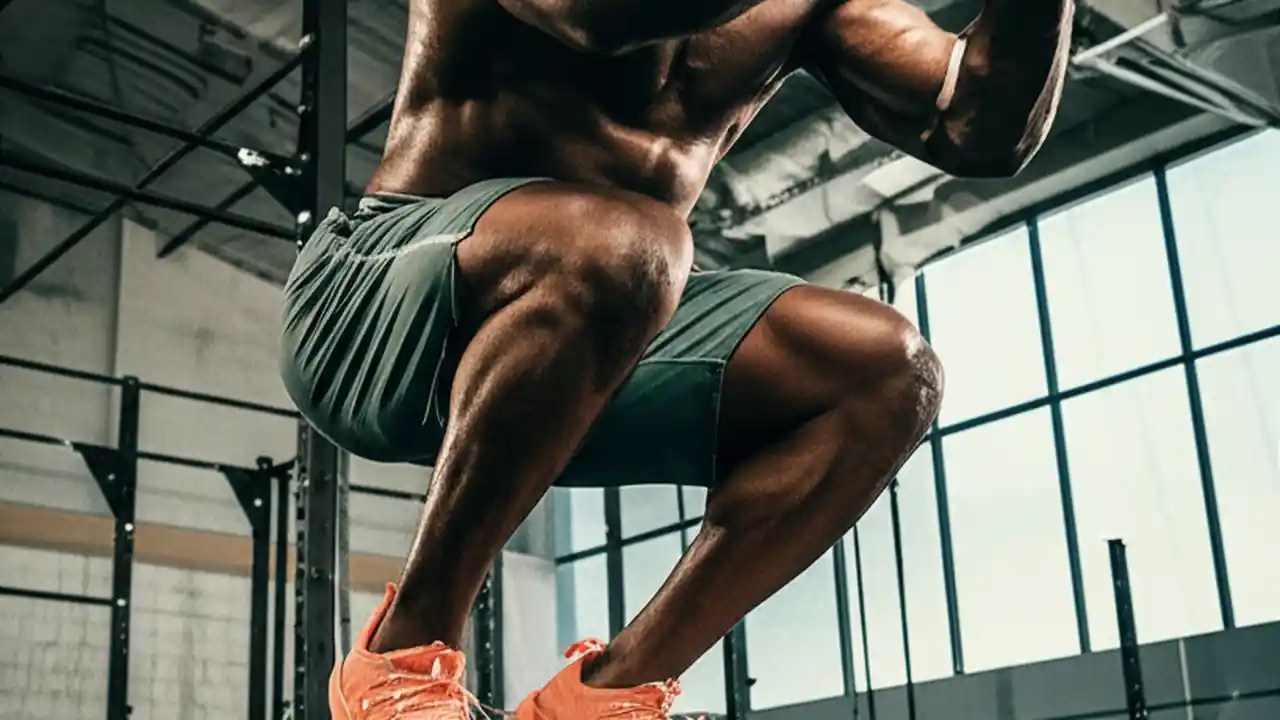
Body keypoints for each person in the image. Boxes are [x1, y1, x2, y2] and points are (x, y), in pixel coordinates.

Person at [279, 0, 1073, 716]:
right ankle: (400, 660)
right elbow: (594, 16)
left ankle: (600, 698)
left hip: (589, 340)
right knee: (635, 246)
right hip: (378, 306)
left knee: (887, 372)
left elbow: (979, 126)